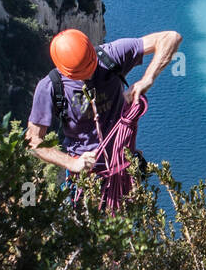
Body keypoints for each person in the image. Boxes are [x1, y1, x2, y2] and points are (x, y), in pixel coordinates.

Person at [26, 28, 182, 178]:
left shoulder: (110, 56)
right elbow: (33, 140)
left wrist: (147, 78)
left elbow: (170, 37)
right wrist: (72, 163)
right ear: (64, 71)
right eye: (81, 73)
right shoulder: (50, 87)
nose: (88, 75)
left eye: (91, 66)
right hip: (86, 173)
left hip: (123, 163)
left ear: (92, 53)